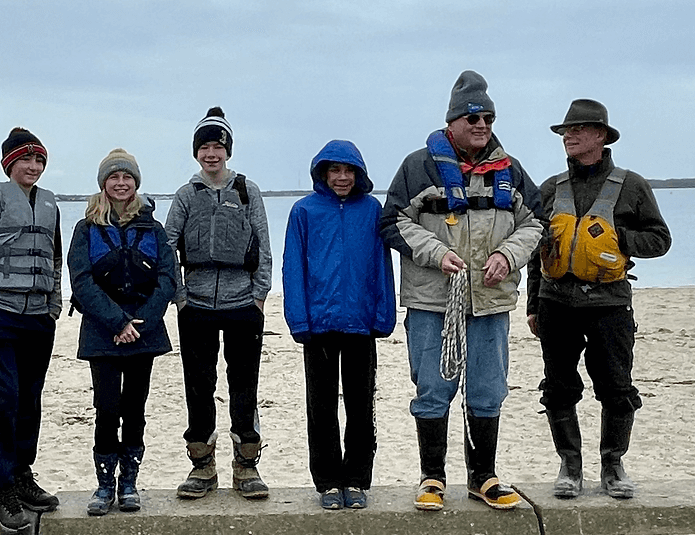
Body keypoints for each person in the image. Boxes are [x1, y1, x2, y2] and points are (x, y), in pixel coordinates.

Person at [379, 71, 543, 511]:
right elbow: (391, 222)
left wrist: (508, 256)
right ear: (452, 122)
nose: (481, 124)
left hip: (490, 302)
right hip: (434, 301)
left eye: (487, 117)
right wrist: (435, 253)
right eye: (472, 117)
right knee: (432, 386)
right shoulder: (419, 166)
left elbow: (535, 224)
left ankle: (483, 477)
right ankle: (432, 478)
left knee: (488, 387)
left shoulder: (510, 170)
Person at [527, 99, 672, 499]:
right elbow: (537, 249)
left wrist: (620, 240)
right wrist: (533, 304)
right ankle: (570, 466)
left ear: (601, 137)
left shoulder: (632, 186)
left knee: (616, 387)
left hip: (610, 305)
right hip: (556, 304)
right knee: (557, 388)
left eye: (577, 130)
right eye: (565, 132)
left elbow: (660, 239)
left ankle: (613, 465)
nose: (569, 137)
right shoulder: (550, 189)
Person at [165, 106, 273, 500]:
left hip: (242, 304)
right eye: (205, 147)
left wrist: (259, 296)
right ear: (196, 153)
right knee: (198, 386)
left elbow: (263, 247)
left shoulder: (248, 191)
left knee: (244, 385)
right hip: (195, 306)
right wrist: (179, 298)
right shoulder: (186, 195)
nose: (211, 154)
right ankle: (202, 465)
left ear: (227, 151)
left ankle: (246, 465)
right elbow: (166, 248)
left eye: (218, 147)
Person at [283, 140, 396, 510]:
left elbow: (382, 266)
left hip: (360, 324)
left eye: (348, 171)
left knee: (362, 405)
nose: (342, 177)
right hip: (319, 325)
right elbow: (293, 268)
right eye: (335, 171)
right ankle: (329, 481)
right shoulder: (304, 211)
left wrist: (383, 316)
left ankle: (357, 479)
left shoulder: (371, 210)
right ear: (323, 173)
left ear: (359, 174)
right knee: (321, 405)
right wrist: (299, 320)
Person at [67, 149, 178, 515]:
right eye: (113, 178)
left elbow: (167, 279)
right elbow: (81, 281)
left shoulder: (153, 229)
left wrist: (140, 323)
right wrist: (117, 322)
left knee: (134, 408)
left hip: (143, 330)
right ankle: (104, 485)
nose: (120, 183)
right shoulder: (86, 229)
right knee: (106, 408)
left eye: (126, 178)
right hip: (103, 331)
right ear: (103, 184)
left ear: (135, 183)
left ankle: (129, 482)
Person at [0, 127, 63, 535]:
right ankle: (1, 486)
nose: (33, 167)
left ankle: (23, 475)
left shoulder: (51, 205)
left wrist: (55, 306)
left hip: (39, 317)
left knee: (30, 400)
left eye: (39, 160)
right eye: (26, 159)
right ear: (10, 163)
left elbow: (55, 261)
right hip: (2, 314)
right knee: (4, 398)